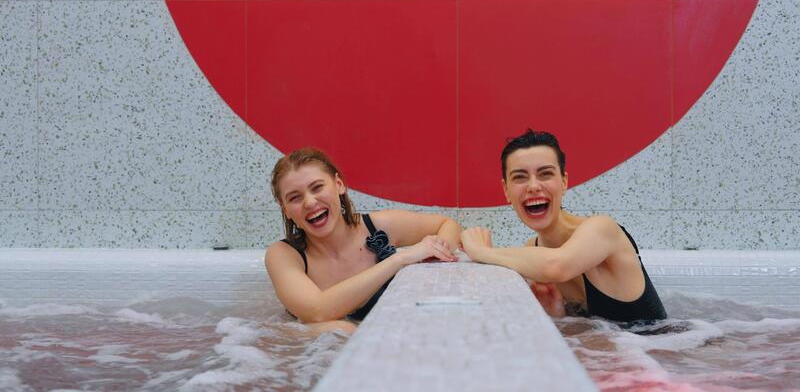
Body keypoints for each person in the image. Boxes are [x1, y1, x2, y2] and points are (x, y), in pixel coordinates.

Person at [460, 129, 666, 323]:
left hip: (664, 351)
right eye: (520, 177)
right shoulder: (534, 252)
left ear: (564, 182)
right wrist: (557, 314)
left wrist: (481, 251)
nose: (533, 186)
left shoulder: (603, 229)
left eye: (545, 174)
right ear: (506, 190)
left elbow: (557, 266)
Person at [266, 147, 461, 329]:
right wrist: (399, 260)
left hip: (390, 342)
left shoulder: (377, 226)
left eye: (317, 187)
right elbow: (317, 312)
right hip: (315, 359)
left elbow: (447, 225)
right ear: (285, 209)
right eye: (295, 197)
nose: (309, 202)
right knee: (329, 328)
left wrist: (433, 263)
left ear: (339, 185)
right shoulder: (284, 255)